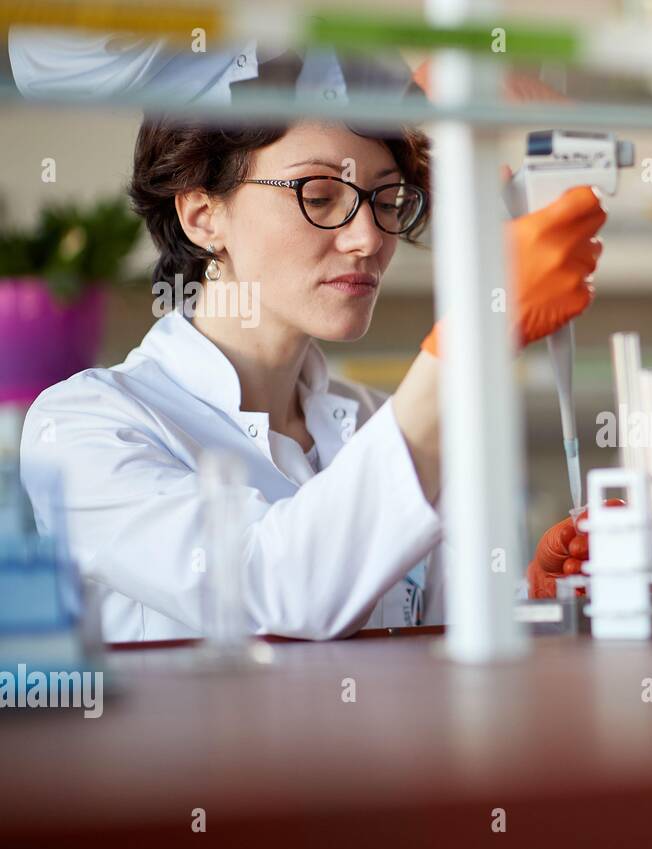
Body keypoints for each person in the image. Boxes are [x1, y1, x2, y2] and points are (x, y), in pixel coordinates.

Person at [20, 115, 605, 641]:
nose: (369, 238)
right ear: (202, 216)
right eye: (319, 195)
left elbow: (447, 641)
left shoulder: (379, 421)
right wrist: (473, 335)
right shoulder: (85, 426)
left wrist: (536, 601)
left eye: (386, 198)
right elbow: (275, 592)